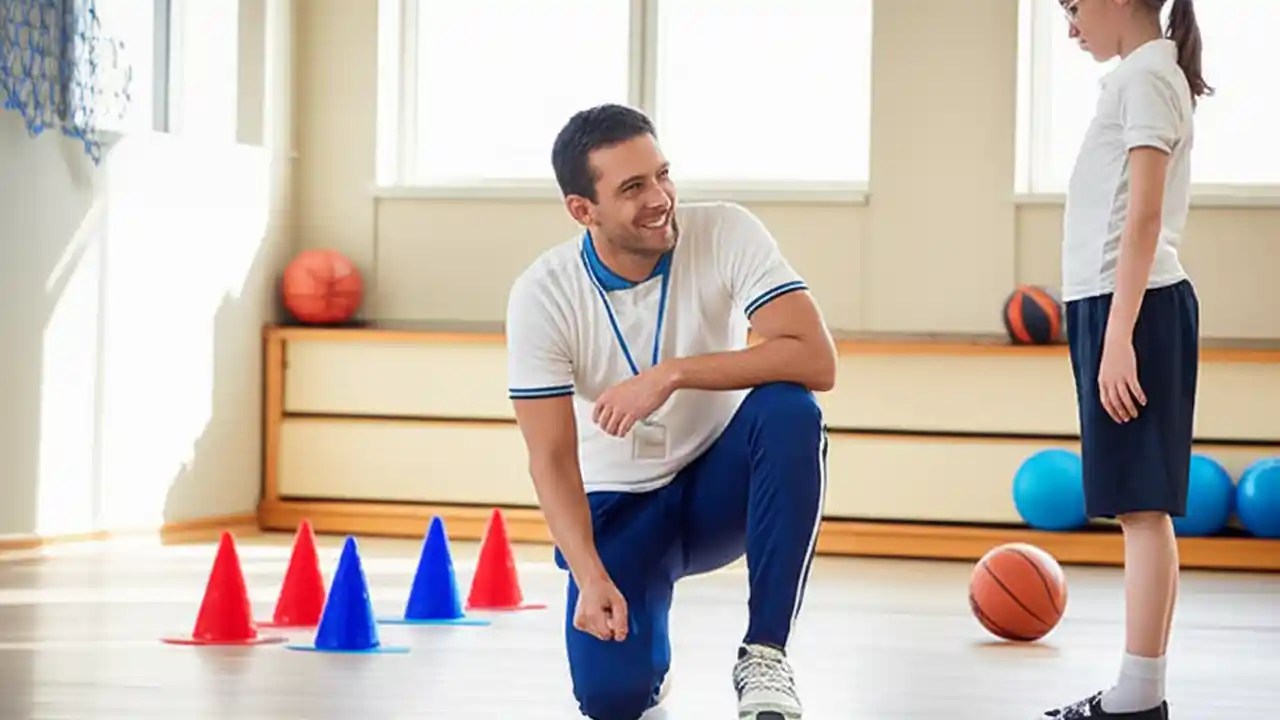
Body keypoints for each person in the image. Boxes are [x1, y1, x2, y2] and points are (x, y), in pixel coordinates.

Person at [504, 103, 836, 720]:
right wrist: (590, 574)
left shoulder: (725, 231)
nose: (660, 198)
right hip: (620, 506)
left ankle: (765, 653)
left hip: (718, 488)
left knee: (790, 410)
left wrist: (671, 374)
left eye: (662, 174)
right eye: (632, 187)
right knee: (611, 699)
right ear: (583, 210)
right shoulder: (542, 294)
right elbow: (549, 458)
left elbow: (817, 359)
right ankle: (647, 667)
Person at [1041, 1, 1209, 718]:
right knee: (1140, 509)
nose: (1071, 27)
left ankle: (1138, 699)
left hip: (1131, 311)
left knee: (1142, 509)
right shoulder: (1142, 75)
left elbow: (1143, 216)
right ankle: (1140, 694)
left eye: (1075, 7)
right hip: (1115, 307)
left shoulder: (1147, 77)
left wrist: (1118, 338)